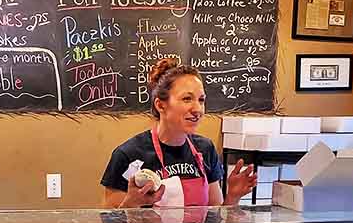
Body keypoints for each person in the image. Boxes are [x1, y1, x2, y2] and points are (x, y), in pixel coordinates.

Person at [101, 57, 256, 210]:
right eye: (187, 99)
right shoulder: (127, 155)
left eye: (201, 100)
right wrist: (130, 205)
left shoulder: (206, 149)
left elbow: (216, 220)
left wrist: (233, 197)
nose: (197, 110)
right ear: (160, 105)